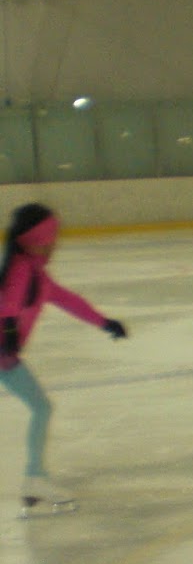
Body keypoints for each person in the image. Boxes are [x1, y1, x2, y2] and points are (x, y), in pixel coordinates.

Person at [0, 203, 128, 516]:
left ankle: (35, 478)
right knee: (41, 408)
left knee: (41, 407)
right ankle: (34, 479)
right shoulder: (21, 268)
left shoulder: (34, 272)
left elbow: (66, 299)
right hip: (2, 354)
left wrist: (103, 321)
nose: (55, 243)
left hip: (4, 353)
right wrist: (9, 332)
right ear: (36, 239)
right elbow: (7, 303)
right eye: (51, 237)